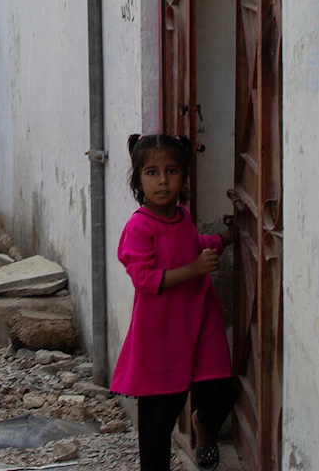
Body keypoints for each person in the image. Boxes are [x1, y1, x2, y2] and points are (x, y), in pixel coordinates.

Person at [110, 134, 237, 471]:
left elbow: (192, 243)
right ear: (138, 179)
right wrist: (195, 269)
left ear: (184, 176)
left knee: (221, 392)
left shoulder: (181, 216)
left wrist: (223, 240)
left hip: (200, 318)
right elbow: (145, 278)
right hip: (161, 333)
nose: (163, 181)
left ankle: (203, 428)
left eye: (172, 171)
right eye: (152, 173)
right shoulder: (139, 227)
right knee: (158, 424)